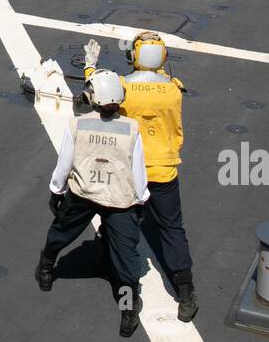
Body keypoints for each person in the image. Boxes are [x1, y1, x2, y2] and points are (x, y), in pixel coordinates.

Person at [84, 32, 198, 321]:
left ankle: (114, 272)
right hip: (164, 170)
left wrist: (89, 65)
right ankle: (185, 293)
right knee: (172, 229)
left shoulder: (123, 88)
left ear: (133, 57)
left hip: (129, 172)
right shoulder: (174, 88)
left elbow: (99, 90)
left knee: (119, 225)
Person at [35, 69, 150, 338]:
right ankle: (128, 310)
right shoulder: (131, 128)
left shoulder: (78, 124)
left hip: (83, 193)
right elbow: (138, 170)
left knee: (62, 231)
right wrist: (141, 200)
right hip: (120, 200)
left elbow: (64, 163)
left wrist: (56, 191)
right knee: (126, 257)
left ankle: (46, 266)